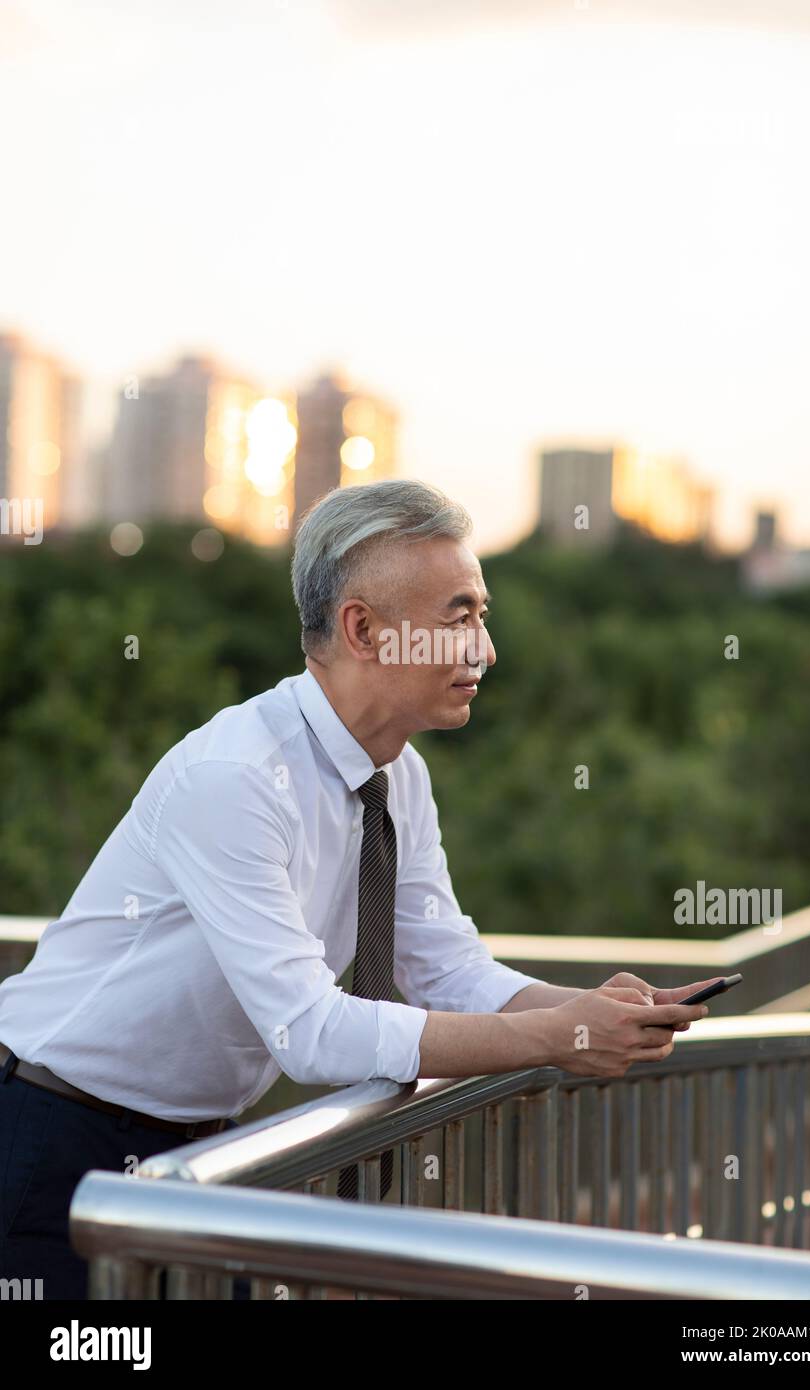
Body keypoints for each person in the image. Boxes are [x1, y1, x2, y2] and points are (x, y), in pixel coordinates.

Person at [0, 478, 711, 1299]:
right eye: (459, 616)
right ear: (364, 629)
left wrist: (588, 1011)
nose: (484, 650)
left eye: (481, 616)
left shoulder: (398, 777)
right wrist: (556, 1038)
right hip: (49, 1132)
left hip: (195, 1150)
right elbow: (309, 1032)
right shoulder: (235, 777)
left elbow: (448, 971)